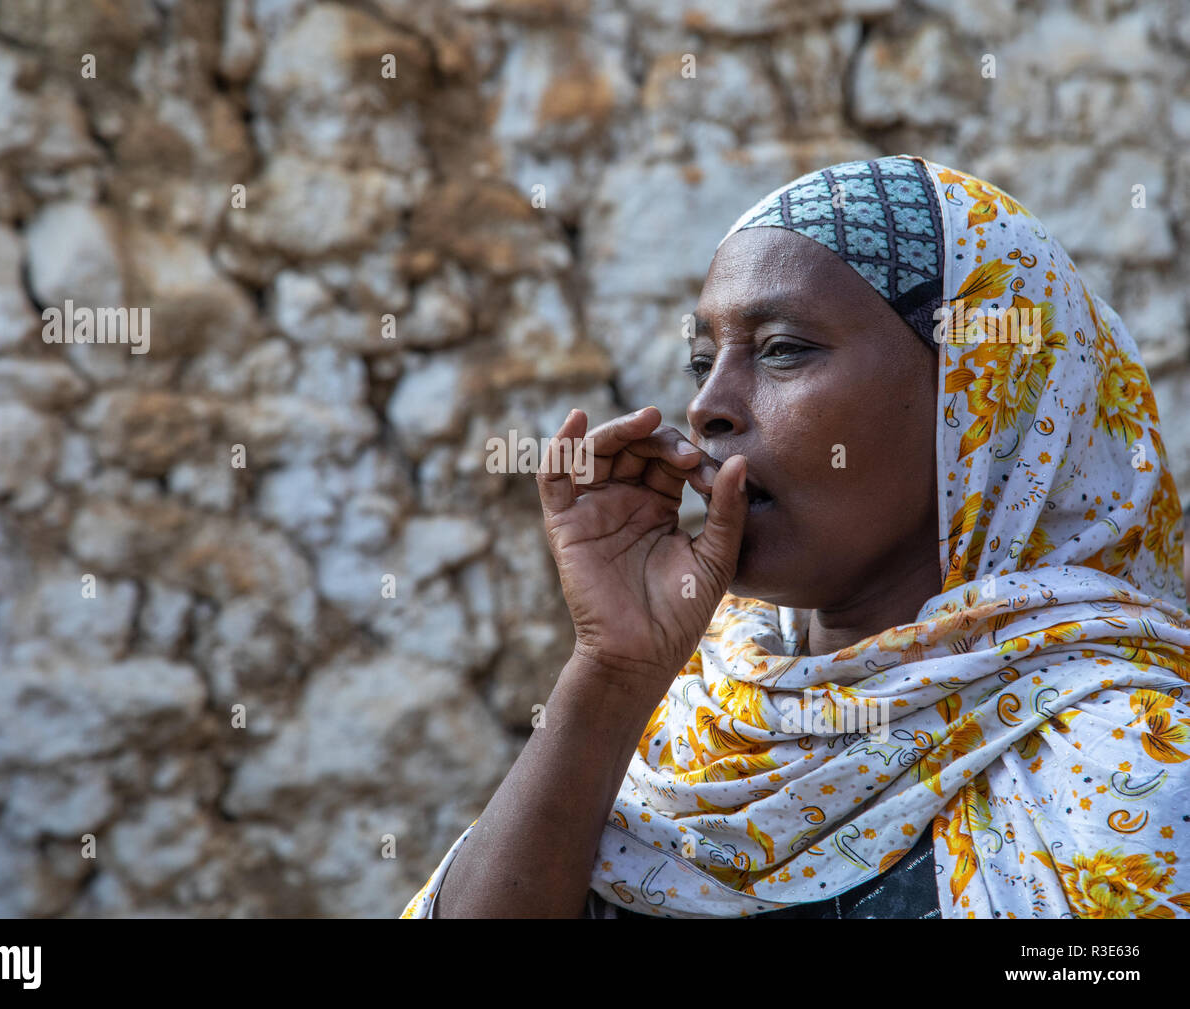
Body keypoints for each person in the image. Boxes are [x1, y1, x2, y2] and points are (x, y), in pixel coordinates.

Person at [401, 154, 1190, 919]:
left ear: (980, 395)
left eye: (782, 350)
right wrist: (609, 672)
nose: (709, 405)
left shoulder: (1137, 762)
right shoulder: (680, 728)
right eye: (701, 360)